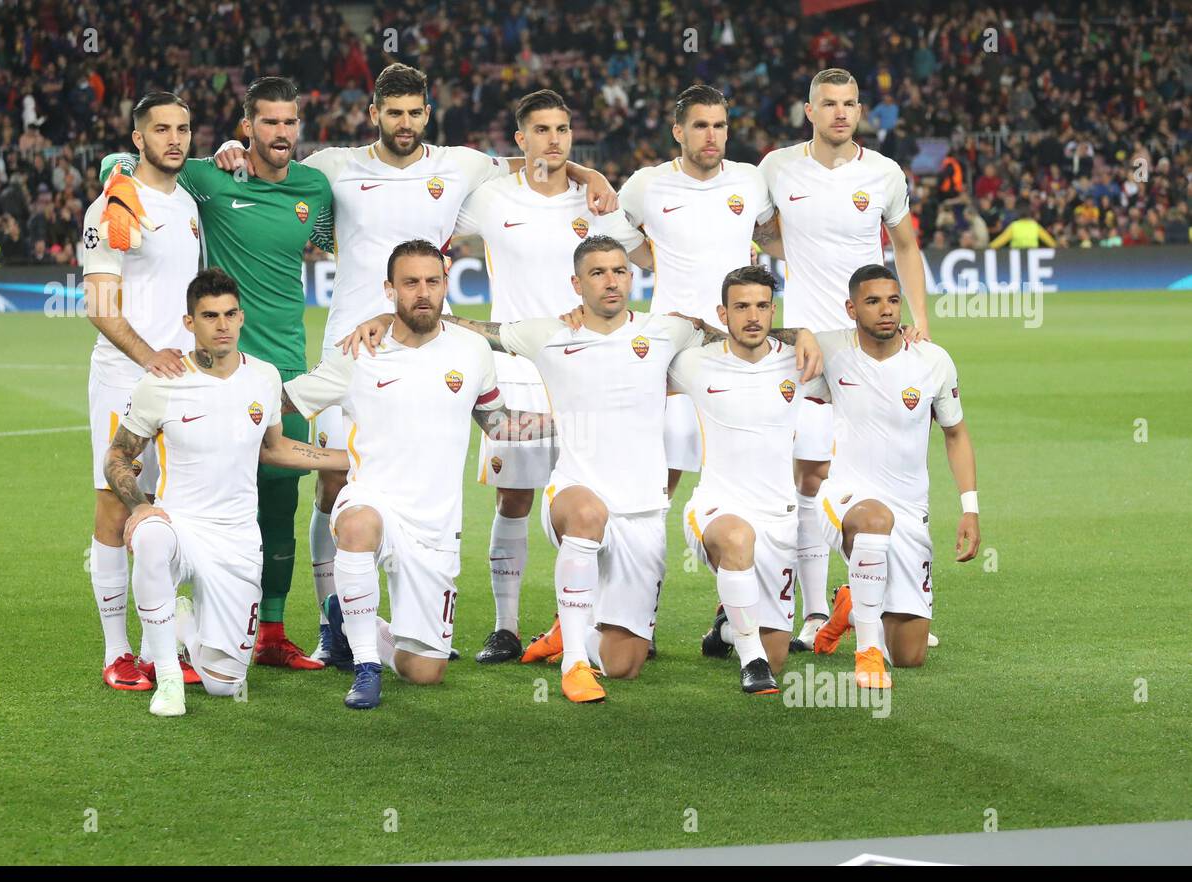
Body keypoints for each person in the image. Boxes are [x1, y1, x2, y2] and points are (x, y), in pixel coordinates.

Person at [212, 63, 618, 665]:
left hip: (434, 346)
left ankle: (421, 612)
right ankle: (338, 623)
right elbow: (274, 164)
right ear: (373, 113)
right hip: (351, 348)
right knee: (336, 483)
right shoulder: (334, 165)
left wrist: (587, 170)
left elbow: (534, 161)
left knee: (429, 475)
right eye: (393, 112)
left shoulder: (459, 164)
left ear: (428, 113)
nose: (405, 123)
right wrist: (230, 148)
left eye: (415, 112)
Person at [345, 236, 821, 703]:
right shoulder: (548, 334)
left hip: (642, 512)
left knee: (626, 663)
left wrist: (799, 334)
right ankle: (574, 660)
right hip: (573, 495)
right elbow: (468, 327)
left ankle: (574, 635)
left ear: (631, 277)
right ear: (576, 282)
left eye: (618, 271)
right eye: (597, 272)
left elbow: (738, 335)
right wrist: (390, 316)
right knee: (588, 512)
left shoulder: (667, 332)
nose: (610, 281)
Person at [99, 77, 336, 670]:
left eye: (290, 122)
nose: (280, 133)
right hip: (206, 364)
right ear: (246, 126)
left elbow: (337, 237)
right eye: (268, 122)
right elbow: (121, 161)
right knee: (203, 495)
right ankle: (186, 629)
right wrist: (203, 157)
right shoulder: (209, 178)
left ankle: (272, 631)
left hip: (281, 363)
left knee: (280, 496)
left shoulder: (316, 188)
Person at [282, 241, 547, 709]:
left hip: (435, 528)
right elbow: (286, 401)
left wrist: (570, 421)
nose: (422, 293)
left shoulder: (471, 352)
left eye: (432, 281)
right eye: (410, 283)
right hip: (373, 502)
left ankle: (349, 619)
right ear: (389, 289)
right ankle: (365, 667)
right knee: (358, 522)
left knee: (425, 671)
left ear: (446, 284)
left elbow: (499, 423)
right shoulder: (357, 352)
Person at [451, 88, 648, 665]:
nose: (554, 140)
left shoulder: (595, 201)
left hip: (587, 369)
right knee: (514, 496)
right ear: (521, 140)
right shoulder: (490, 198)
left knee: (596, 494)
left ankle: (600, 623)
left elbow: (645, 255)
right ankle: (506, 627)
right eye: (541, 130)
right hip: (513, 368)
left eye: (563, 130)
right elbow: (435, 229)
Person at [105, 268, 349, 717]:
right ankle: (169, 678)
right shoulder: (162, 381)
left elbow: (274, 449)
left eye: (230, 314)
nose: (222, 325)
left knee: (225, 683)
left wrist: (350, 461)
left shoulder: (264, 378)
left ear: (242, 318)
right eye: (209, 315)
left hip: (238, 539)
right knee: (150, 537)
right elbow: (117, 455)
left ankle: (181, 623)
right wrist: (140, 507)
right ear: (189, 322)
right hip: (181, 525)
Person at [751, 67, 932, 653]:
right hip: (804, 349)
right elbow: (756, 234)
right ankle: (810, 611)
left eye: (850, 104)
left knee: (885, 474)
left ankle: (888, 605)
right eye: (828, 103)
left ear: (860, 111)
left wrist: (922, 322)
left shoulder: (883, 173)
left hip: (870, 348)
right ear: (809, 110)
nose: (839, 113)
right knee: (806, 477)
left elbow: (905, 245)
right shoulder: (777, 167)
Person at [803, 265, 979, 688]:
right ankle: (867, 654)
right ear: (851, 308)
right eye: (873, 301)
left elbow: (955, 434)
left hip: (909, 510)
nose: (886, 310)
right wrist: (802, 333)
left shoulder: (932, 361)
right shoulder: (830, 351)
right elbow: (757, 336)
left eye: (893, 300)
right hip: (845, 499)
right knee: (873, 521)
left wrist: (969, 509)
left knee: (910, 655)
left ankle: (850, 604)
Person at [83, 91, 202, 691]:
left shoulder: (187, 202)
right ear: (137, 139)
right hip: (125, 377)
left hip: (181, 378)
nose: (174, 139)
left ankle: (166, 644)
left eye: (183, 128)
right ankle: (116, 651)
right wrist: (148, 356)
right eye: (161, 129)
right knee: (115, 503)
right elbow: (100, 307)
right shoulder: (111, 206)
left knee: (172, 508)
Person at [618, 84, 772, 500]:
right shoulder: (647, 185)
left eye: (719, 125)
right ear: (678, 132)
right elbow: (613, 231)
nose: (711, 135)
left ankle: (740, 560)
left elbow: (771, 231)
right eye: (700, 125)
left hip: (739, 343)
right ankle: (640, 554)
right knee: (661, 471)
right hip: (673, 344)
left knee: (746, 467)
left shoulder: (750, 180)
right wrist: (650, 258)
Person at [669, 266, 804, 694]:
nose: (752, 316)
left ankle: (726, 630)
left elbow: (866, 345)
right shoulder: (693, 363)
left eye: (762, 306)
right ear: (721, 314)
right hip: (716, 509)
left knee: (778, 652)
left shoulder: (800, 361)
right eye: (741, 306)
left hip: (779, 519)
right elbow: (634, 361)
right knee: (738, 537)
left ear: (773, 310)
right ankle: (750, 662)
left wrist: (807, 334)